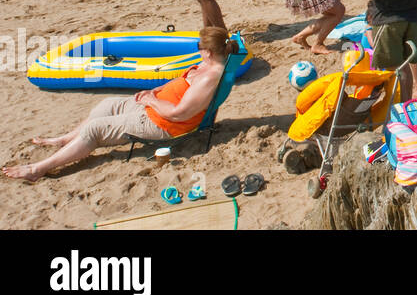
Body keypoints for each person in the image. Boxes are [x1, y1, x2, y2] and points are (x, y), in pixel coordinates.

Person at [4, 27, 241, 182]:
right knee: (106, 106)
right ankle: (66, 140)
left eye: (199, 47)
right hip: (155, 107)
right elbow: (180, 86)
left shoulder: (210, 76)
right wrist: (155, 92)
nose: (197, 50)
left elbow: (179, 114)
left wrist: (151, 100)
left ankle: (39, 169)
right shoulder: (207, 66)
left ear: (208, 52)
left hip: (162, 122)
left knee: (94, 129)